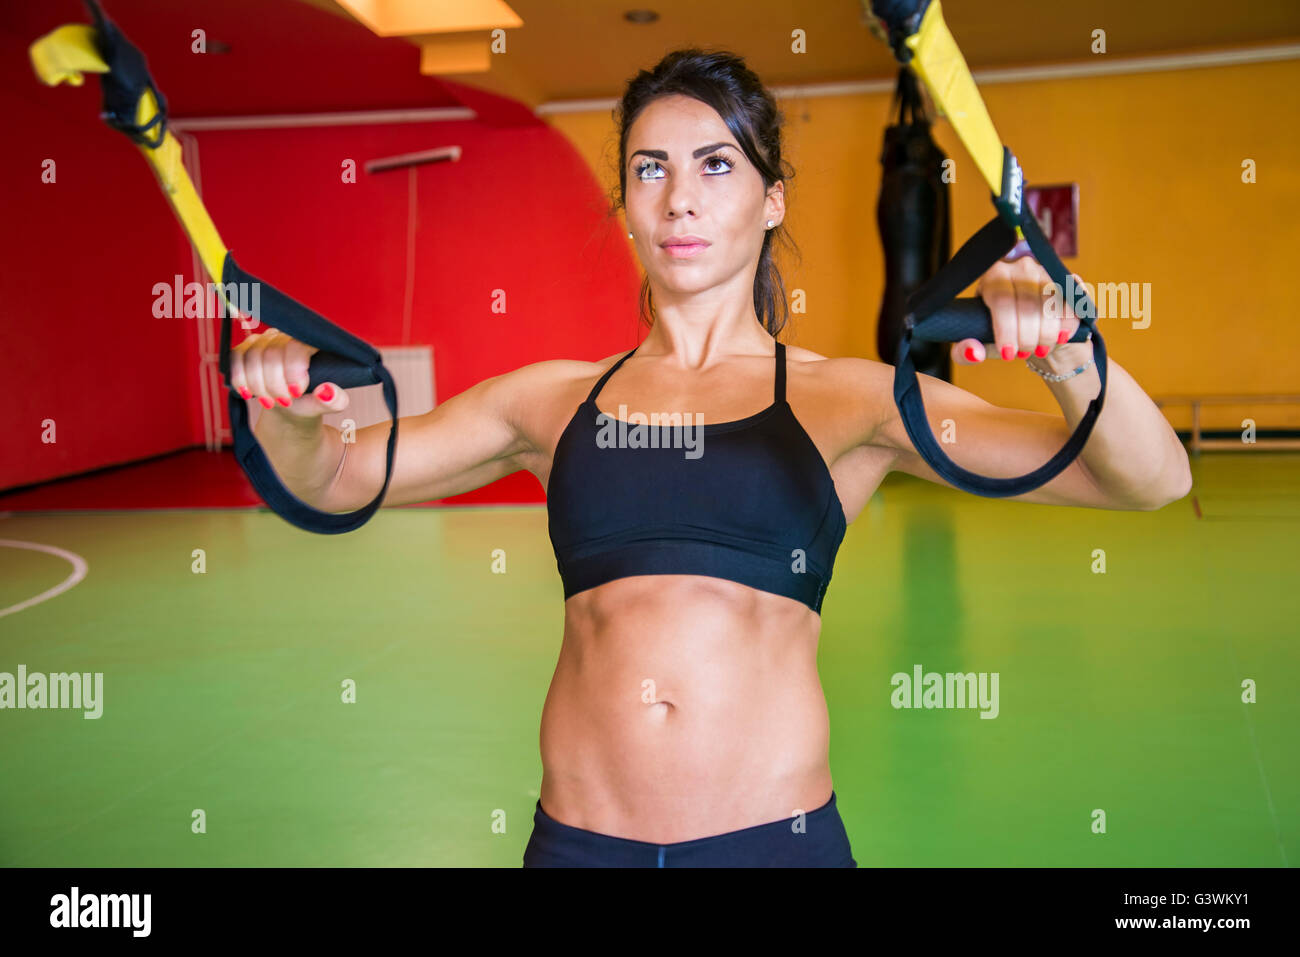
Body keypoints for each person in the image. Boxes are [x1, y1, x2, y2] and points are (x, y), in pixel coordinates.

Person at [229, 49, 1192, 867]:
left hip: (774, 844)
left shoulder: (851, 399)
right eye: (649, 169)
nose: (681, 198)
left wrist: (1069, 348)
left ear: (773, 200)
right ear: (626, 203)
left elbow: (1147, 480)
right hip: (579, 847)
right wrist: (293, 411)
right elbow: (329, 481)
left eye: (716, 165)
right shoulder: (549, 400)